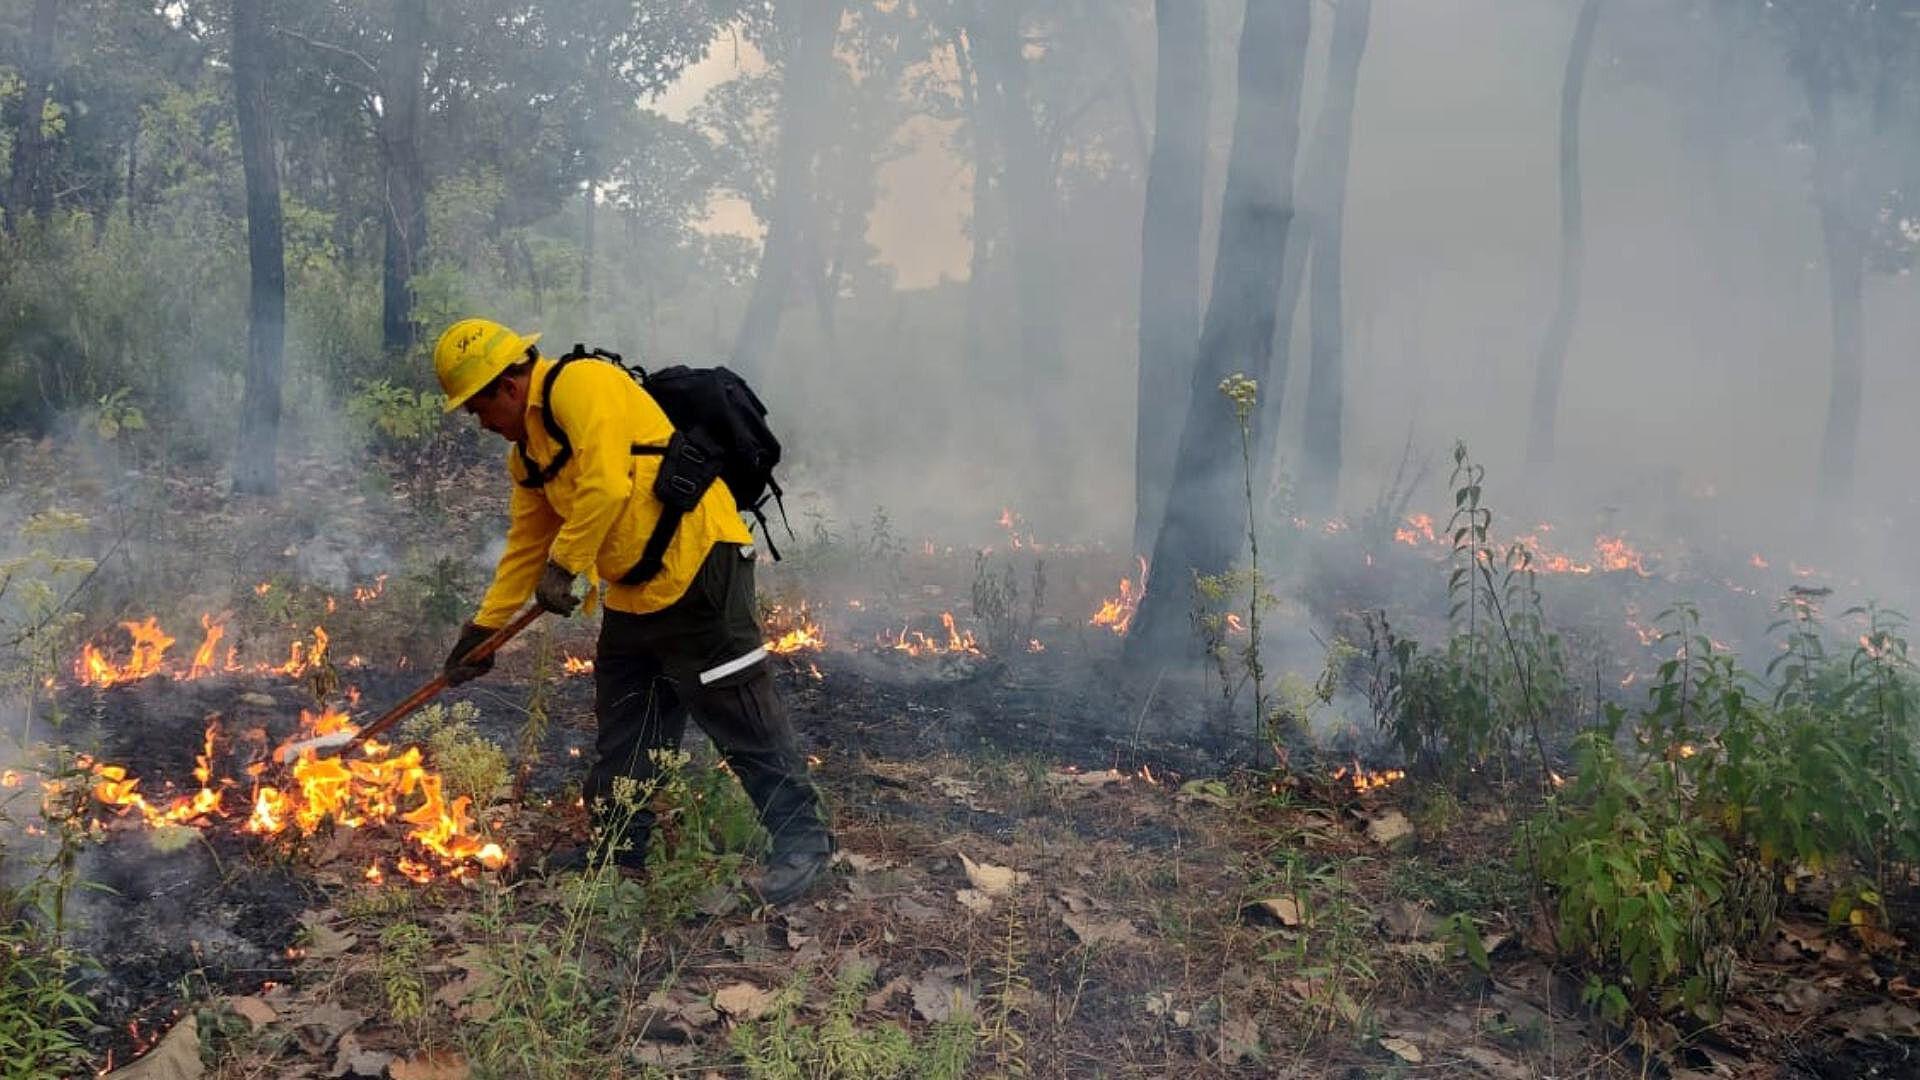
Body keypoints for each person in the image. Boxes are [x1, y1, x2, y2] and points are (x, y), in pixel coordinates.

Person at [431, 317, 832, 905]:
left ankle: (803, 840)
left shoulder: (581, 383)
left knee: (738, 710)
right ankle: (619, 846)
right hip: (635, 590)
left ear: (509, 386)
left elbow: (607, 484)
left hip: (700, 564)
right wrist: (482, 631)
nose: (481, 423)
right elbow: (525, 547)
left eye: (478, 409)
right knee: (626, 721)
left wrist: (566, 566)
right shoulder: (529, 458)